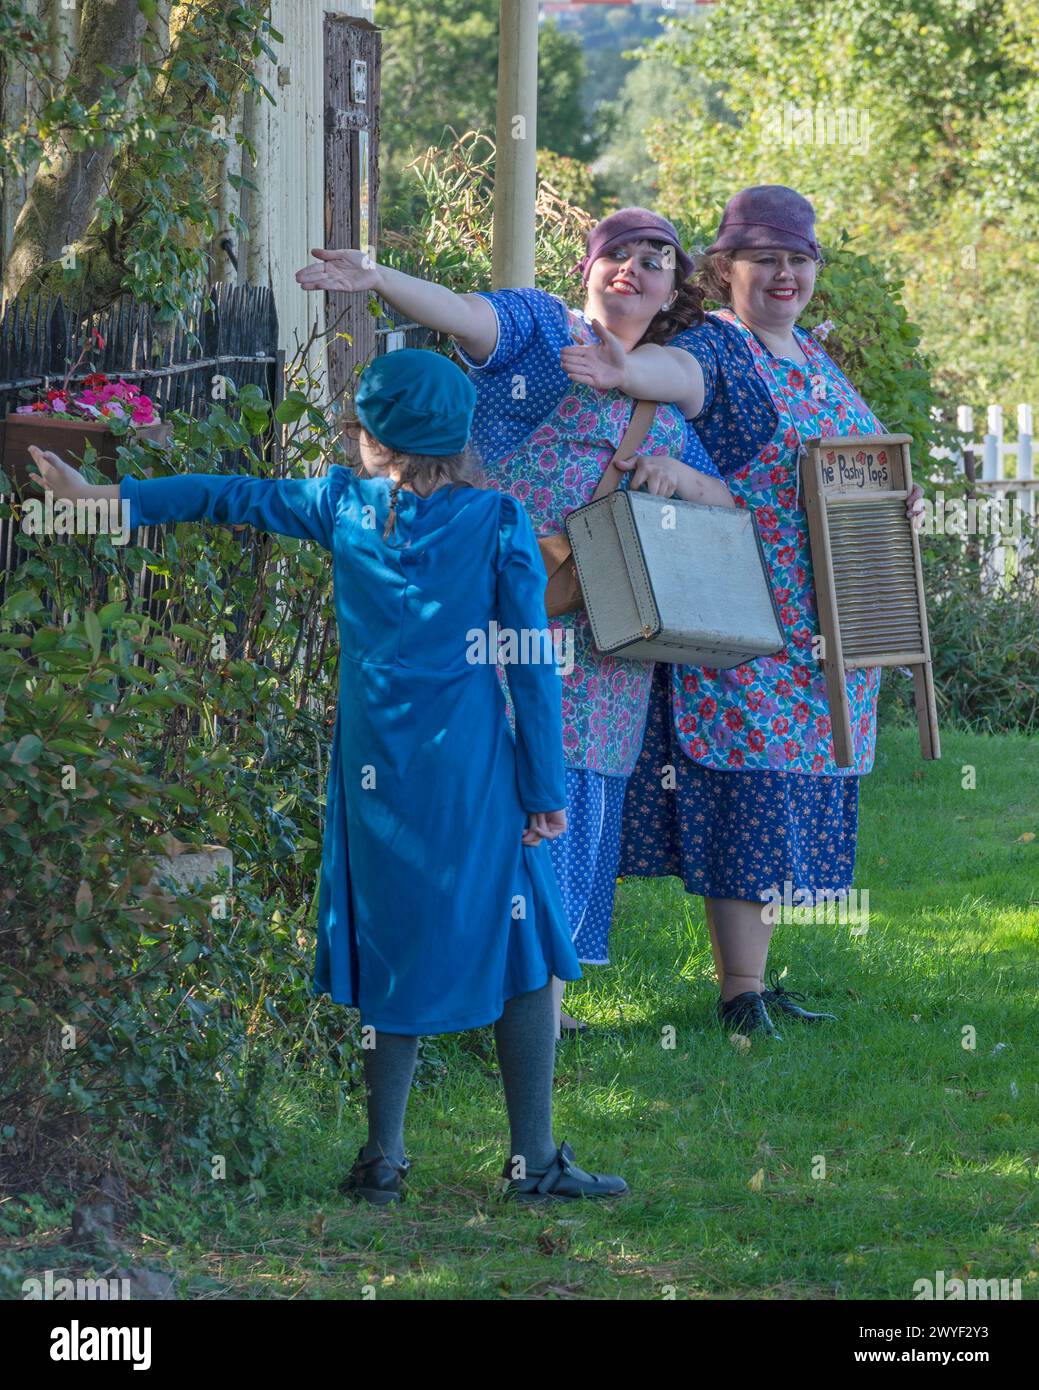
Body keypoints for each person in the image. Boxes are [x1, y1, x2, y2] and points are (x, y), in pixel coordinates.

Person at [25, 348, 627, 1205]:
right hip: (472, 772)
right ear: (457, 436)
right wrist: (544, 791)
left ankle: (381, 1159)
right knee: (525, 947)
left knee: (387, 936)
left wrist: (100, 499)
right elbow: (529, 666)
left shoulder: (342, 506)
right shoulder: (497, 522)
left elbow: (222, 494)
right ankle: (533, 1161)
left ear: (373, 437)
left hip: (373, 766)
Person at [296, 209, 733, 1038]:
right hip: (491, 611)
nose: (633, 270)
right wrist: (379, 278)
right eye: (618, 254)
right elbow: (468, 314)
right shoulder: (539, 330)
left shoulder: (665, 400)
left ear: (673, 288)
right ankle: (450, 985)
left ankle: (542, 1009)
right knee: (486, 793)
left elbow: (726, 503)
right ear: (589, 266)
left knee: (566, 800)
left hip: (605, 646)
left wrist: (676, 473)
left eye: (655, 261)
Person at [561, 186, 926, 1038]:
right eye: (765, 259)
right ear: (726, 269)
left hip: (825, 627)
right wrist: (621, 369)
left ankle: (754, 984)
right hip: (742, 617)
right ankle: (736, 993)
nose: (785, 273)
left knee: (795, 792)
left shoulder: (812, 359)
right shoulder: (718, 352)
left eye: (798, 258)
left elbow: (854, 467)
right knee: (752, 796)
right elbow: (673, 376)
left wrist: (893, 503)